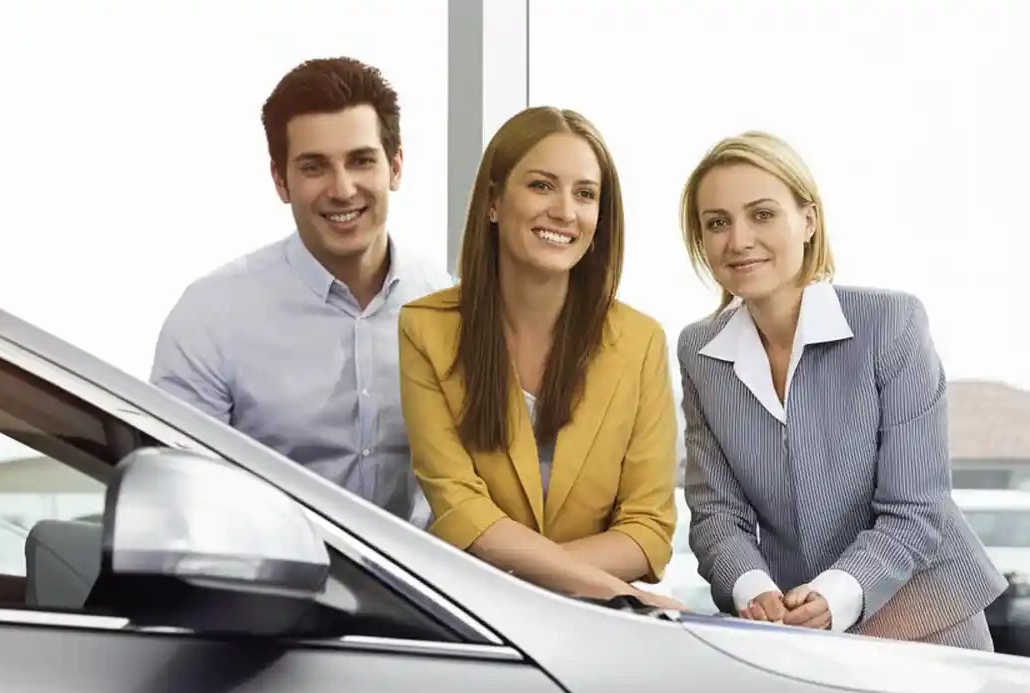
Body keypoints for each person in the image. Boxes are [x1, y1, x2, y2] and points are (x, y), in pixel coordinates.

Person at [677, 130, 1007, 648]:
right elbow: (716, 511)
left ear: (808, 220)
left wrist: (833, 596)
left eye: (762, 214)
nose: (737, 240)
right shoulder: (700, 351)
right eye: (717, 223)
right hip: (793, 636)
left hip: (925, 620)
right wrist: (753, 590)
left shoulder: (890, 324)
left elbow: (916, 509)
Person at [398, 106, 684, 609]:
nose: (565, 211)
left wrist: (543, 583)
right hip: (474, 620)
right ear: (492, 201)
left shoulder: (640, 340)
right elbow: (464, 511)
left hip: (592, 620)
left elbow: (648, 529)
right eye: (541, 186)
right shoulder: (425, 329)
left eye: (585, 194)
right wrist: (611, 588)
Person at [150, 57, 452, 525]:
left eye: (361, 161)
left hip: (419, 592)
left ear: (395, 167)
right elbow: (177, 496)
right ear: (280, 180)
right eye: (315, 167)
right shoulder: (211, 316)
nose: (342, 188)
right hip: (260, 587)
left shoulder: (449, 306)